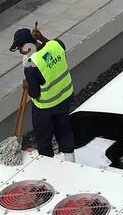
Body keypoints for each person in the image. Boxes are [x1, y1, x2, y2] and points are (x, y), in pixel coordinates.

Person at [11, 24, 75, 162]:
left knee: (44, 140)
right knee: (64, 132)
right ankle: (71, 163)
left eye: (20, 49)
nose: (21, 52)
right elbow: (52, 45)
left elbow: (34, 94)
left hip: (46, 107)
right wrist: (42, 37)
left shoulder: (31, 64)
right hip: (65, 98)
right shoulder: (56, 45)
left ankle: (49, 168)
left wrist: (28, 85)